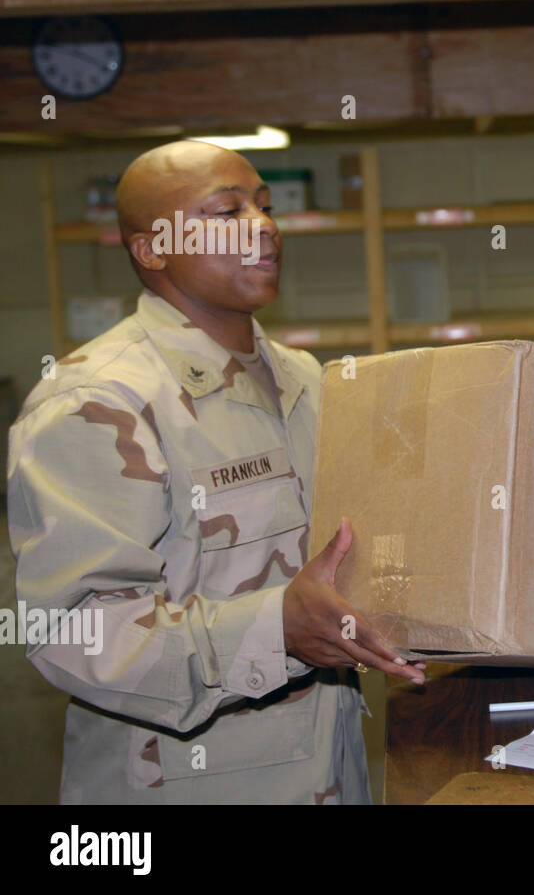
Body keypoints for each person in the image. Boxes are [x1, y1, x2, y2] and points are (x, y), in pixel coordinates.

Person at [6, 140, 425, 804]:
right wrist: (277, 628)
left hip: (328, 770)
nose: (262, 226)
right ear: (152, 249)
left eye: (264, 205)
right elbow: (73, 632)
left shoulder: (304, 380)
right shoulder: (97, 401)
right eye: (226, 212)